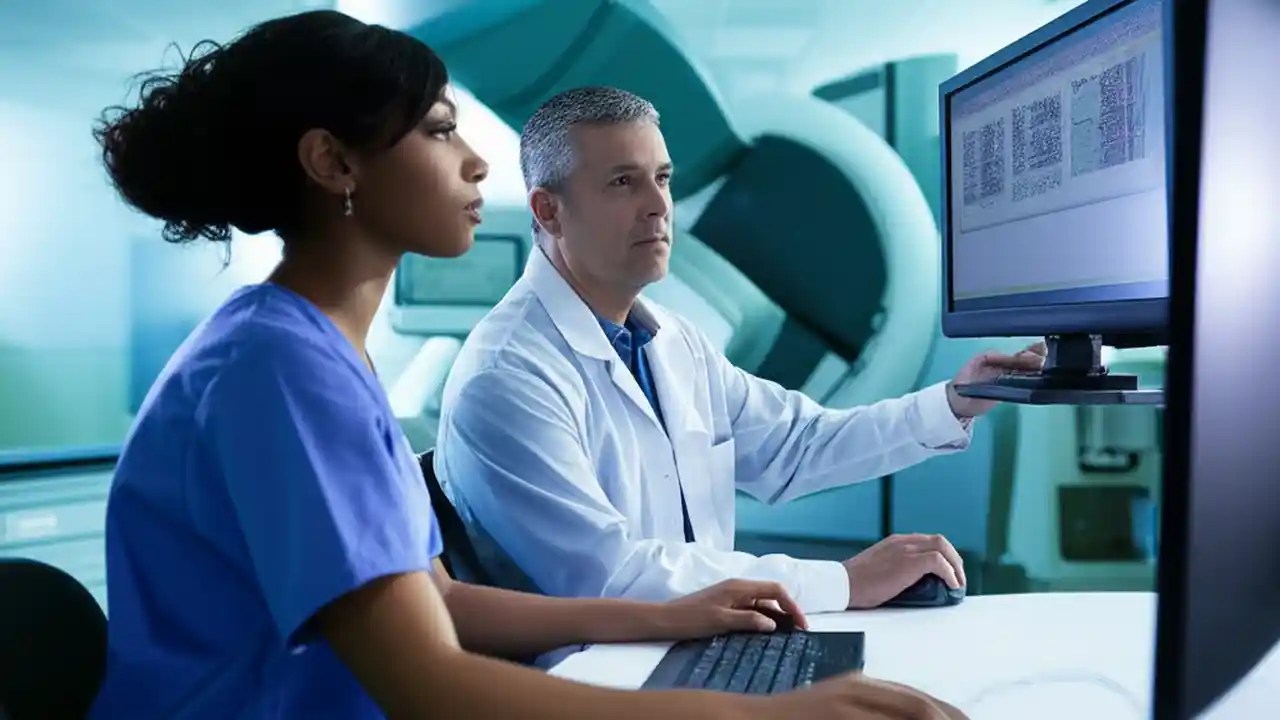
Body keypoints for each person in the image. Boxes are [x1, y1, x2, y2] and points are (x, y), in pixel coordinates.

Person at [86, 10, 967, 720]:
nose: (475, 161)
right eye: (438, 132)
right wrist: (767, 715)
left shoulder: (312, 352)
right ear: (333, 162)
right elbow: (427, 682)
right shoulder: (281, 370)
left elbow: (438, 604)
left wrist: (667, 615)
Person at [435, 86, 1046, 615]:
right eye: (623, 182)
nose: (658, 206)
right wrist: (843, 581)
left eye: (664, 178)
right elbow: (610, 578)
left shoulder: (671, 342)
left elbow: (797, 447)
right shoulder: (508, 376)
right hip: (588, 681)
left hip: (701, 641)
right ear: (548, 210)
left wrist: (953, 403)